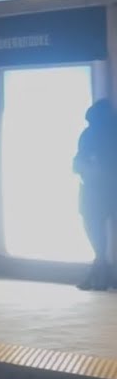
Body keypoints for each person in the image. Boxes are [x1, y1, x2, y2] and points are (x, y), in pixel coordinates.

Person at [74, 98, 117, 291]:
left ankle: (100, 268)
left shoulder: (89, 133)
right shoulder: (102, 132)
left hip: (93, 188)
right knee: (96, 228)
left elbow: (79, 161)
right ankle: (101, 269)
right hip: (106, 188)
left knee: (94, 229)